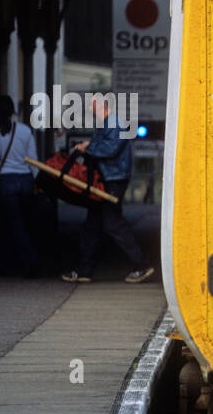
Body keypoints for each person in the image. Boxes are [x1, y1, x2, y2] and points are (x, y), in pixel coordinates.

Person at [60, 98, 155, 284]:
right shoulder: (110, 124)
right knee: (92, 226)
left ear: (103, 105)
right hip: (108, 178)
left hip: (113, 180)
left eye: (92, 103)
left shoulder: (114, 123)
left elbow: (109, 149)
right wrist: (89, 145)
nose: (90, 107)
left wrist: (88, 149)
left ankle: (141, 265)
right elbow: (107, 145)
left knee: (112, 223)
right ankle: (84, 270)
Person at [0, 95, 40, 277]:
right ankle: (23, 261)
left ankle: (29, 262)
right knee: (24, 224)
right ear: (12, 111)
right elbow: (33, 160)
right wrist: (37, 183)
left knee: (12, 225)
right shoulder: (25, 130)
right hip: (26, 181)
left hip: (6, 182)